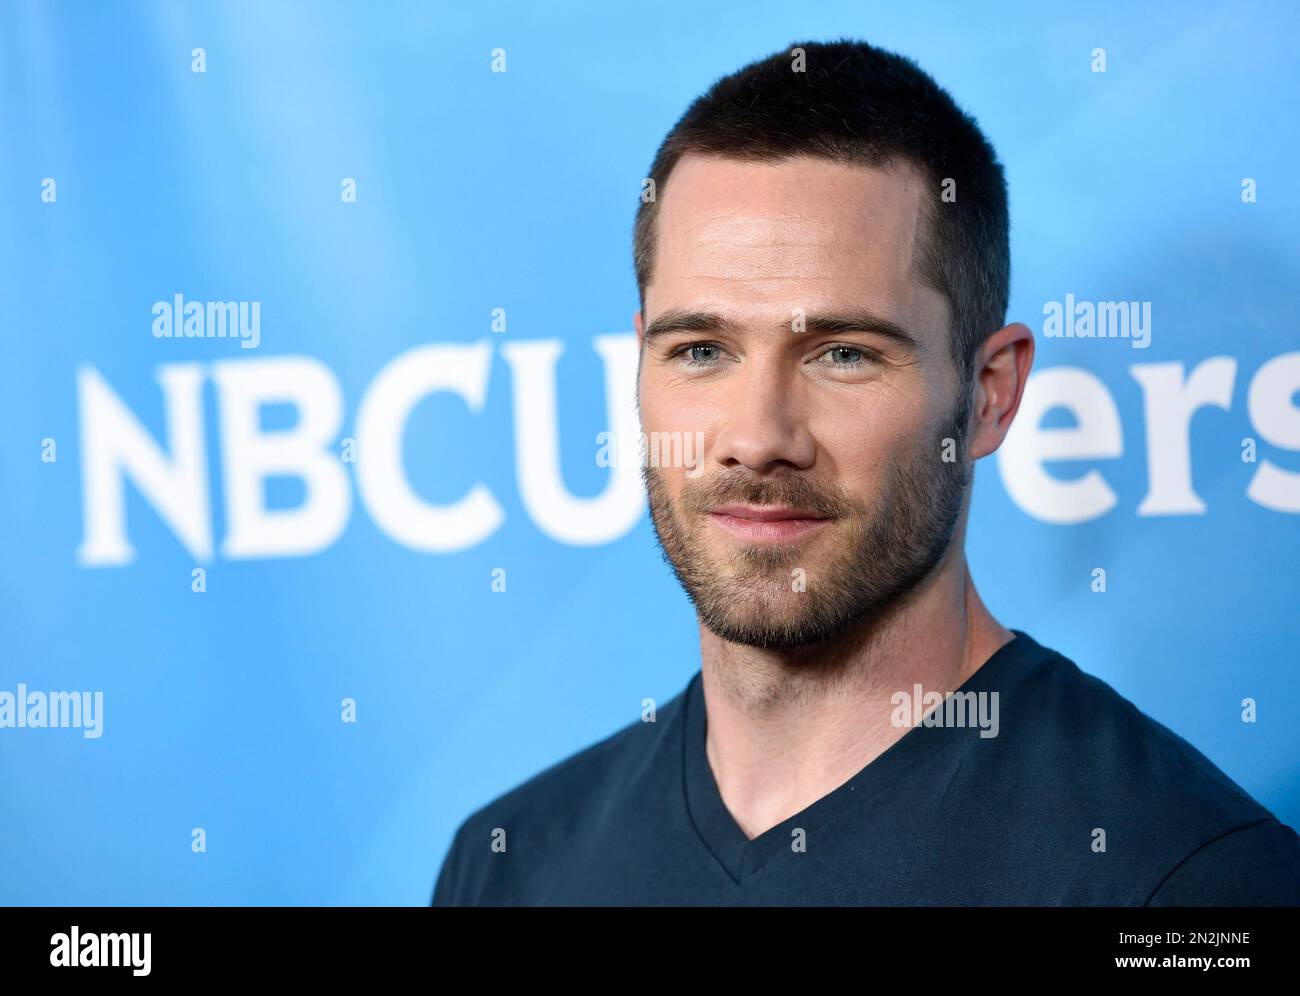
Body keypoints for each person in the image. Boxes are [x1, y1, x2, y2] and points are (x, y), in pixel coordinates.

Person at [433, 38, 1300, 905]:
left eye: (842, 353)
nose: (758, 436)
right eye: (701, 350)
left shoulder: (1191, 884)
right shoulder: (510, 866)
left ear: (989, 395)